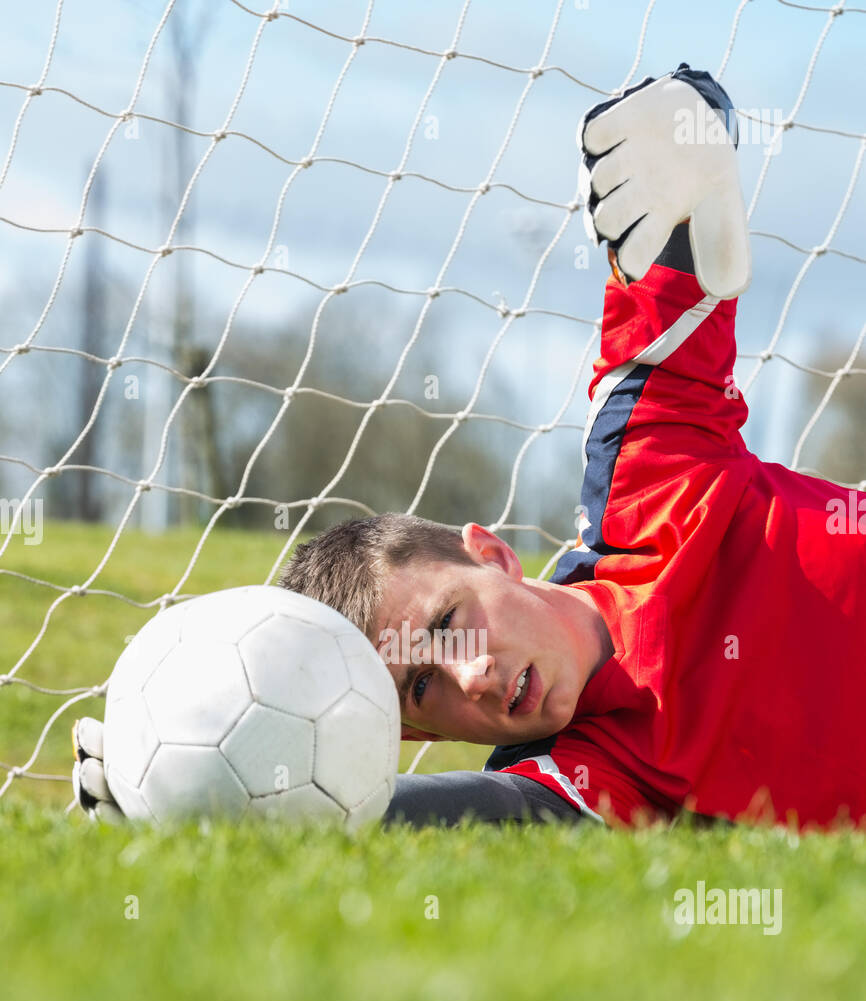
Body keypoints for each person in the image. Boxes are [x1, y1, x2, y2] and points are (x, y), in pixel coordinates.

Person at [74, 64, 866, 831]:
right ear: (412, 735)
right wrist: (198, 790)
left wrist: (689, 116)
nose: (473, 675)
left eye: (450, 622)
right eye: (421, 686)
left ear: (491, 554)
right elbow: (447, 822)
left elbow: (676, 188)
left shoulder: (648, 482)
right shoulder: (576, 775)